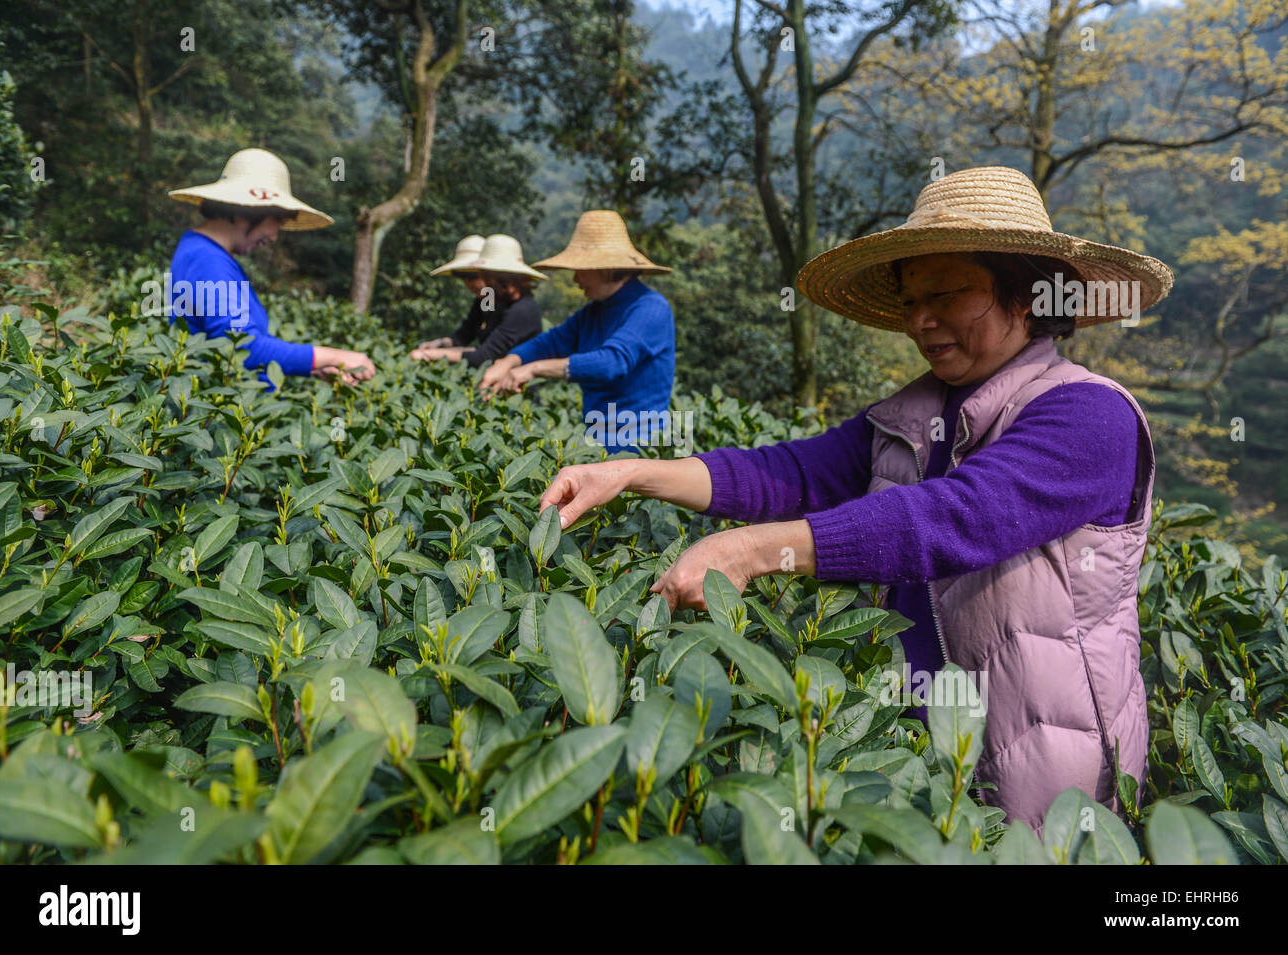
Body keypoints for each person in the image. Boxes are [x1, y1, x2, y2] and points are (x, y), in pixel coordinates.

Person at [531, 167, 1174, 837]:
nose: (921, 321)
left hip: (1044, 780)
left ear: (1024, 295)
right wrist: (633, 472)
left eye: (948, 294)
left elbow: (954, 517)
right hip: (912, 757)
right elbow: (789, 472)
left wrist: (751, 550)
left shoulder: (1090, 415)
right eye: (910, 300)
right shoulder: (911, 413)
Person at [166, 147, 375, 385]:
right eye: (278, 221)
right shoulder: (207, 260)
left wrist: (314, 368)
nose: (275, 236)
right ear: (250, 210)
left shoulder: (203, 251)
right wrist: (334, 355)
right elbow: (242, 348)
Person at [479, 210, 674, 455]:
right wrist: (507, 362)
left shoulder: (651, 308)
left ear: (603, 267)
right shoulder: (594, 312)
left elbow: (612, 363)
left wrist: (533, 369)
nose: (575, 279)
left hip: (638, 449)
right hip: (596, 444)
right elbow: (550, 342)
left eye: (580, 269)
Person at [412, 234, 544, 367]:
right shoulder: (490, 299)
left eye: (473, 276)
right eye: (461, 276)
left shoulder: (522, 310)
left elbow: (484, 356)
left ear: (503, 279)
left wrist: (430, 355)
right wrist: (440, 344)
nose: (468, 284)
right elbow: (467, 334)